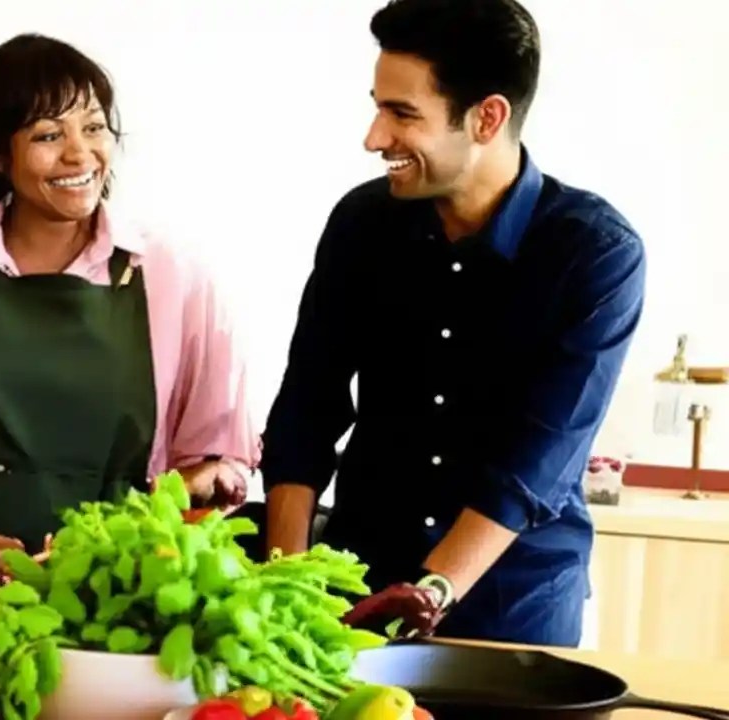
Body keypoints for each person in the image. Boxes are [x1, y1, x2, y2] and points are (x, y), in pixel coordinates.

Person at [259, 0, 645, 648]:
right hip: (353, 588)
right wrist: (283, 581)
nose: (374, 136)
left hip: (510, 607)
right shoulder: (361, 225)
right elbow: (307, 407)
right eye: (378, 105)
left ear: (487, 117)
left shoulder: (594, 252)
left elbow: (538, 462)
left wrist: (430, 592)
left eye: (402, 113)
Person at [0, 33, 259, 587]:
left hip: (115, 599)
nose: (79, 154)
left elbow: (216, 455)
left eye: (94, 127)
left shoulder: (174, 273)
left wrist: (203, 485)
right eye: (48, 134)